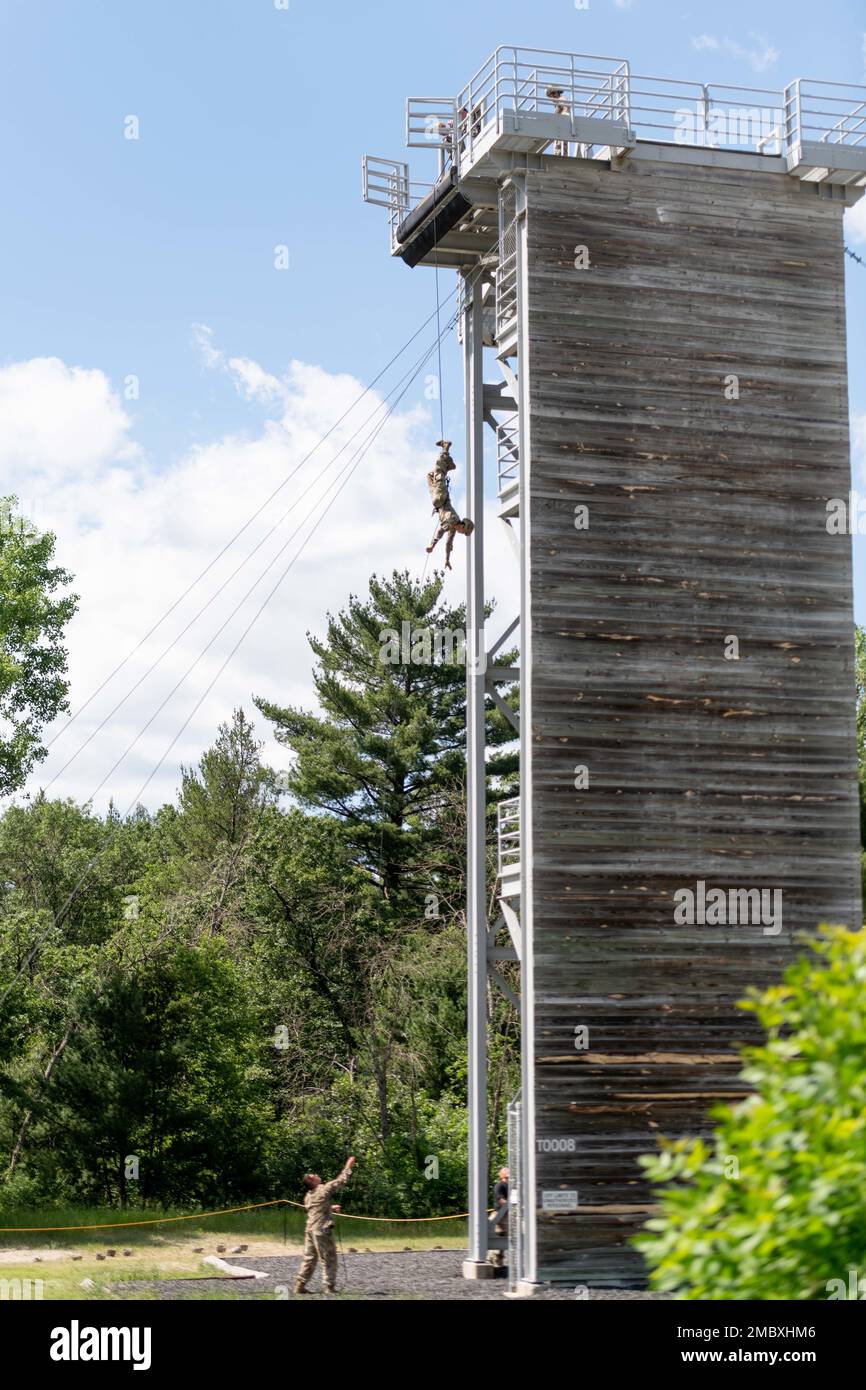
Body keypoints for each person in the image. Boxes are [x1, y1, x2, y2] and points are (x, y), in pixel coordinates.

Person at [294, 1155, 356, 1294]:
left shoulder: (308, 1195)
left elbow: (315, 1207)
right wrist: (348, 1165)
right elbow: (341, 1180)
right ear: (312, 1181)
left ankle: (300, 1285)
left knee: (309, 1258)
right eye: (313, 1175)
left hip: (310, 1230)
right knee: (329, 1257)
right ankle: (329, 1287)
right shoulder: (323, 1189)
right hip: (322, 1230)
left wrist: (330, 1208)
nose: (316, 1175)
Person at [425, 439, 474, 570]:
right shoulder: (452, 520)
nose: (460, 533)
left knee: (431, 476)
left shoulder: (453, 527)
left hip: (438, 501)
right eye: (463, 532)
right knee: (438, 471)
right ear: (463, 526)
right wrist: (432, 545)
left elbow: (448, 544)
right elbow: (441, 531)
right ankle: (445, 447)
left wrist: (447, 559)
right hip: (440, 498)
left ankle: (449, 465)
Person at [546, 85, 571, 157]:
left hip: (562, 128)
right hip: (559, 129)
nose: (552, 97)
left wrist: (563, 117)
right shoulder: (557, 104)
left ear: (558, 92)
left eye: (554, 93)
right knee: (558, 148)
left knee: (561, 148)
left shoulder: (561, 99)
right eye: (551, 95)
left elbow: (566, 110)